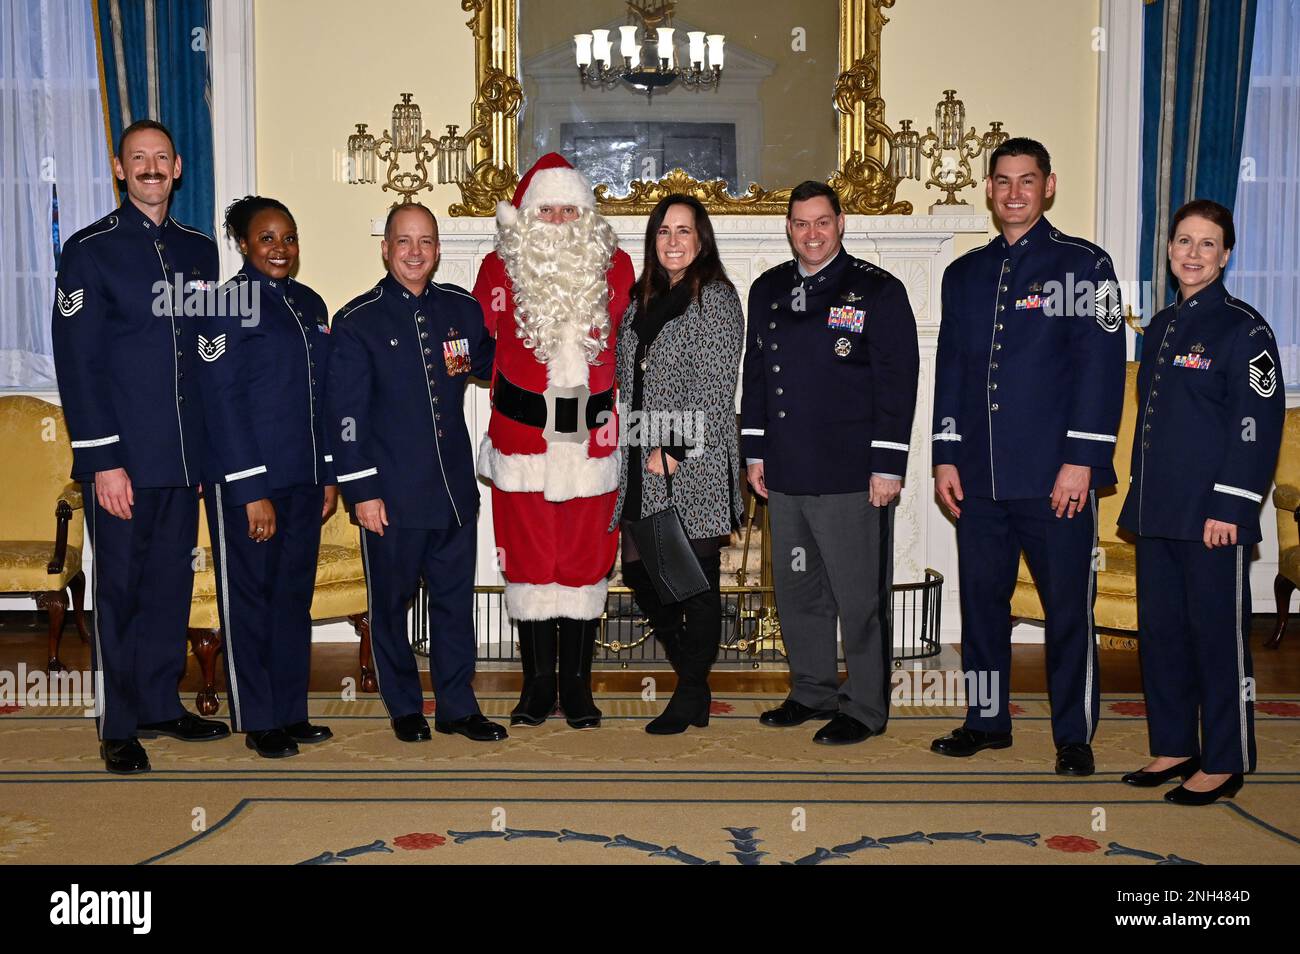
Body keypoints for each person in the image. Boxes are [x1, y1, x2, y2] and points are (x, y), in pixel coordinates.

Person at [929, 137, 1126, 775]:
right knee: (983, 605)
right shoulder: (963, 274)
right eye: (1004, 181)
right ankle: (986, 722)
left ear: (1049, 186)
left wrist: (1082, 461)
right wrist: (945, 454)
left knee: (1068, 608)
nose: (1014, 192)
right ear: (988, 189)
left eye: (1027, 180)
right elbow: (952, 373)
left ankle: (1074, 734)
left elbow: (1102, 371)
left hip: (1055, 480)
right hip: (979, 479)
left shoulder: (1087, 266)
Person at [51, 120, 230, 774]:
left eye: (161, 158)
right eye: (138, 159)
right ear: (121, 170)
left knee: (167, 590)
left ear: (177, 168)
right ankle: (118, 724)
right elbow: (79, 363)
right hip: (121, 462)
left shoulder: (200, 250)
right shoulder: (89, 250)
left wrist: (211, 455)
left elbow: (208, 357)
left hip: (185, 461)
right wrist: (102, 461)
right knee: (120, 594)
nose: (151, 168)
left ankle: (160, 703)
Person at [740, 180, 920, 745]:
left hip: (852, 476)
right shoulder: (768, 288)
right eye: (800, 223)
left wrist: (889, 466)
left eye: (822, 221)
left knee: (858, 595)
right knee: (798, 589)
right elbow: (757, 376)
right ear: (788, 228)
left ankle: (866, 706)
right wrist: (754, 450)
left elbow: (899, 382)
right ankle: (812, 690)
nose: (811, 233)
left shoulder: (877, 290)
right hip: (788, 473)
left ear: (840, 223)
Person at [1118, 199, 1283, 805]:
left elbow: (1257, 426)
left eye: (1206, 243)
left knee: (1217, 638)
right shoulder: (1160, 325)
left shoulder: (1245, 328)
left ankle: (1225, 757)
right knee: (1161, 634)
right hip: (1158, 511)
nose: (1192, 253)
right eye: (1183, 241)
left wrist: (1234, 507)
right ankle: (1173, 746)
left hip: (1214, 515)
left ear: (1226, 254)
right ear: (1169, 250)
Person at [327, 203, 505, 743]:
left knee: (455, 604)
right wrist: (362, 491)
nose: (415, 252)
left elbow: (495, 365)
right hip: (391, 498)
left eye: (425, 241)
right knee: (391, 608)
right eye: (404, 241)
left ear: (437, 249)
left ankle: (457, 705)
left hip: (453, 493)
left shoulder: (461, 309)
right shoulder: (357, 321)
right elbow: (347, 418)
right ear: (385, 248)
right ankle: (403, 705)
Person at [472, 153, 634, 729]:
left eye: (572, 208)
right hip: (523, 444)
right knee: (531, 562)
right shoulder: (498, 267)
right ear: (527, 215)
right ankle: (538, 684)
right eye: (549, 209)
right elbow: (479, 342)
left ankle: (579, 686)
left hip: (591, 443)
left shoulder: (616, 269)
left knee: (587, 564)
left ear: (588, 215)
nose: (561, 220)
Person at [196, 195, 338, 758]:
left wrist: (327, 473)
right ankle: (257, 719)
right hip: (249, 484)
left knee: (290, 598)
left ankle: (289, 712)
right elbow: (222, 406)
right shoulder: (224, 305)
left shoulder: (310, 303)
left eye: (289, 237)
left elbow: (322, 397)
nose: (281, 249)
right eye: (267, 238)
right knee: (250, 600)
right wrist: (251, 491)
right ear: (243, 244)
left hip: (304, 480)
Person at [612, 194, 744, 734]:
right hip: (640, 456)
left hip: (695, 459)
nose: (672, 240)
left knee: (697, 583)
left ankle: (688, 692)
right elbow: (626, 377)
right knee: (642, 573)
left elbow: (716, 386)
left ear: (701, 239)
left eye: (684, 231)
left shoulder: (715, 298)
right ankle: (698, 682)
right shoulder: (638, 298)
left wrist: (676, 448)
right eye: (664, 230)